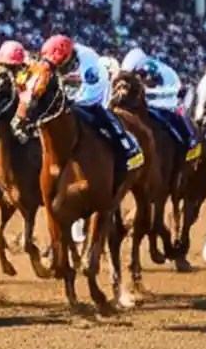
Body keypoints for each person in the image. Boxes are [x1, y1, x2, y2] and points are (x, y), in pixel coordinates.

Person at [41, 34, 140, 243]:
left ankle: (126, 147)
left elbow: (90, 93)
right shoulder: (49, 59)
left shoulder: (89, 61)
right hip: (63, 100)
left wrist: (68, 104)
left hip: (90, 101)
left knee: (106, 120)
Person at [120, 46, 192, 145]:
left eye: (141, 75)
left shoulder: (158, 72)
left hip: (170, 96)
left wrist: (144, 92)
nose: (139, 78)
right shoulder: (141, 68)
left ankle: (189, 137)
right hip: (158, 93)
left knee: (175, 114)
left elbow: (162, 93)